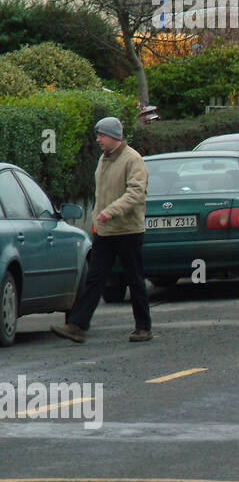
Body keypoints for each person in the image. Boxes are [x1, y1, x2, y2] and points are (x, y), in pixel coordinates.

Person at [51, 117, 152, 344]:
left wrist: (111, 211)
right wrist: (101, 216)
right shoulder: (103, 159)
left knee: (135, 279)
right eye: (98, 135)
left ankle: (143, 328)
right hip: (105, 231)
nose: (98, 140)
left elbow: (136, 193)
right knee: (94, 279)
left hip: (128, 230)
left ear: (114, 136)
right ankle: (77, 326)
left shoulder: (133, 159)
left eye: (101, 136)